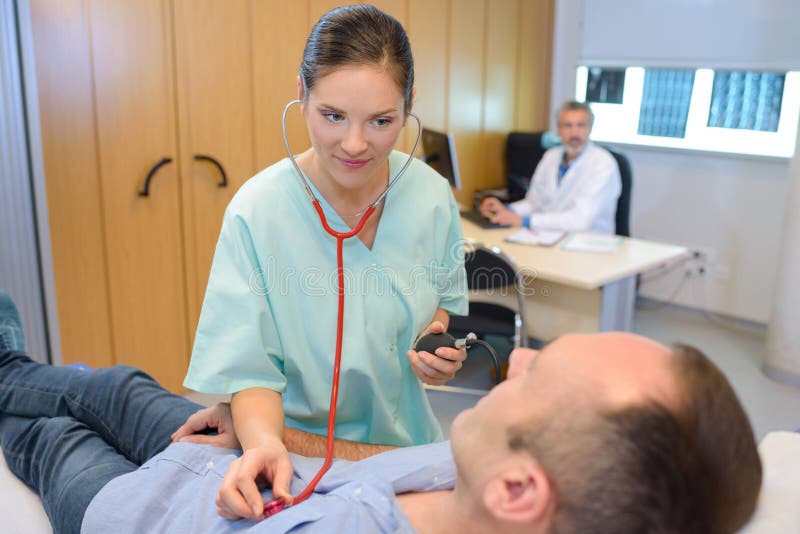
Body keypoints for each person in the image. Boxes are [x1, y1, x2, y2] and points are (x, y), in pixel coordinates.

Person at [0, 331, 761, 533]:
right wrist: (264, 435)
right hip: (240, 454)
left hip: (139, 510)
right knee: (118, 385)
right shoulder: (474, 475)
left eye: (534, 377)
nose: (518, 355)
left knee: (51, 437)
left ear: (520, 489)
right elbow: (375, 462)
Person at [180, 4, 468, 517]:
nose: (355, 144)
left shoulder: (430, 195)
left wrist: (434, 347)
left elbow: (442, 304)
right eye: (332, 116)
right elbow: (252, 370)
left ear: (410, 105)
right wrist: (266, 444)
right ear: (301, 93)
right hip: (292, 451)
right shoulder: (258, 210)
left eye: (382, 121)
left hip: (405, 451)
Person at [480, 100, 622, 234]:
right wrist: (506, 210)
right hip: (548, 236)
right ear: (558, 130)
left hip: (588, 243)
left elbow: (580, 220)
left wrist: (523, 220)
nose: (574, 133)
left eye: (581, 125)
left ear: (590, 128)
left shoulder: (603, 164)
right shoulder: (551, 156)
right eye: (567, 125)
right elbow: (534, 203)